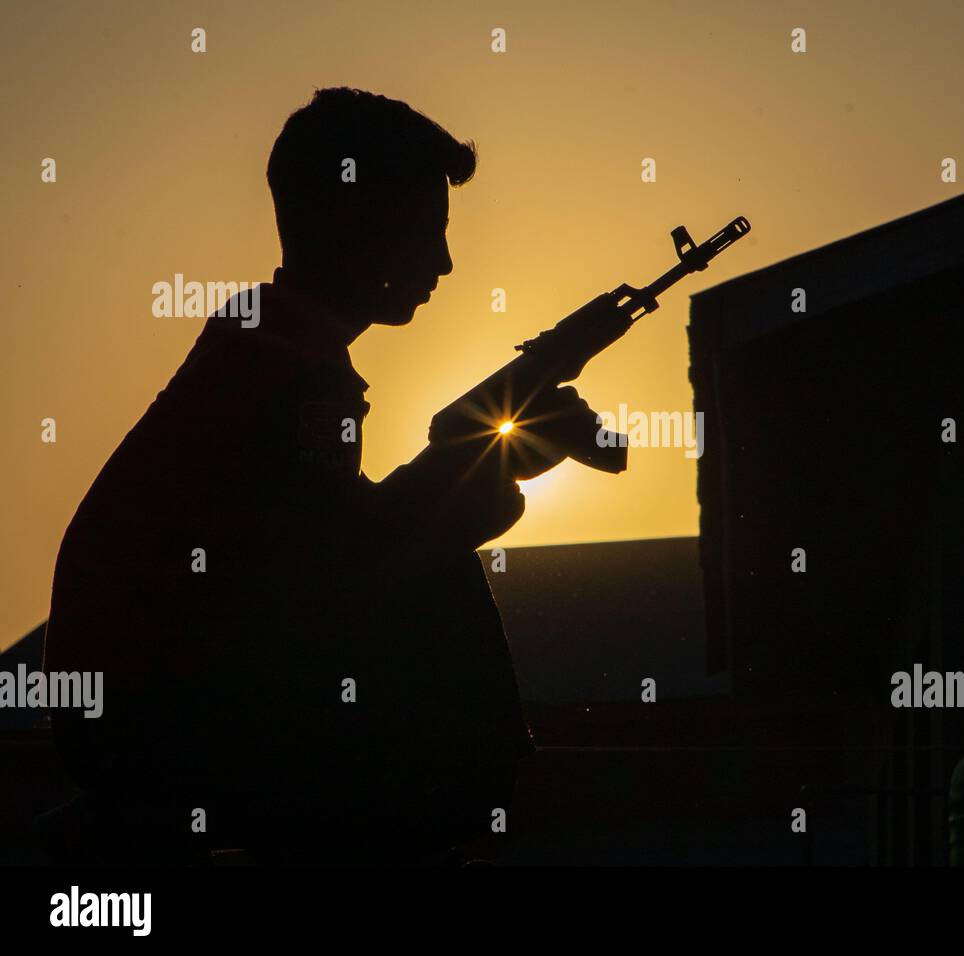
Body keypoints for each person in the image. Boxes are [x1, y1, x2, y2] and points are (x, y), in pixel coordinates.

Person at [42, 87, 598, 864]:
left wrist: (472, 464)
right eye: (426, 232)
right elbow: (337, 576)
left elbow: (331, 541)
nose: (442, 262)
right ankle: (454, 810)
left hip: (145, 711)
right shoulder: (290, 374)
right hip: (159, 725)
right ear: (358, 224)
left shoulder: (270, 347)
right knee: (443, 579)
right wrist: (481, 477)